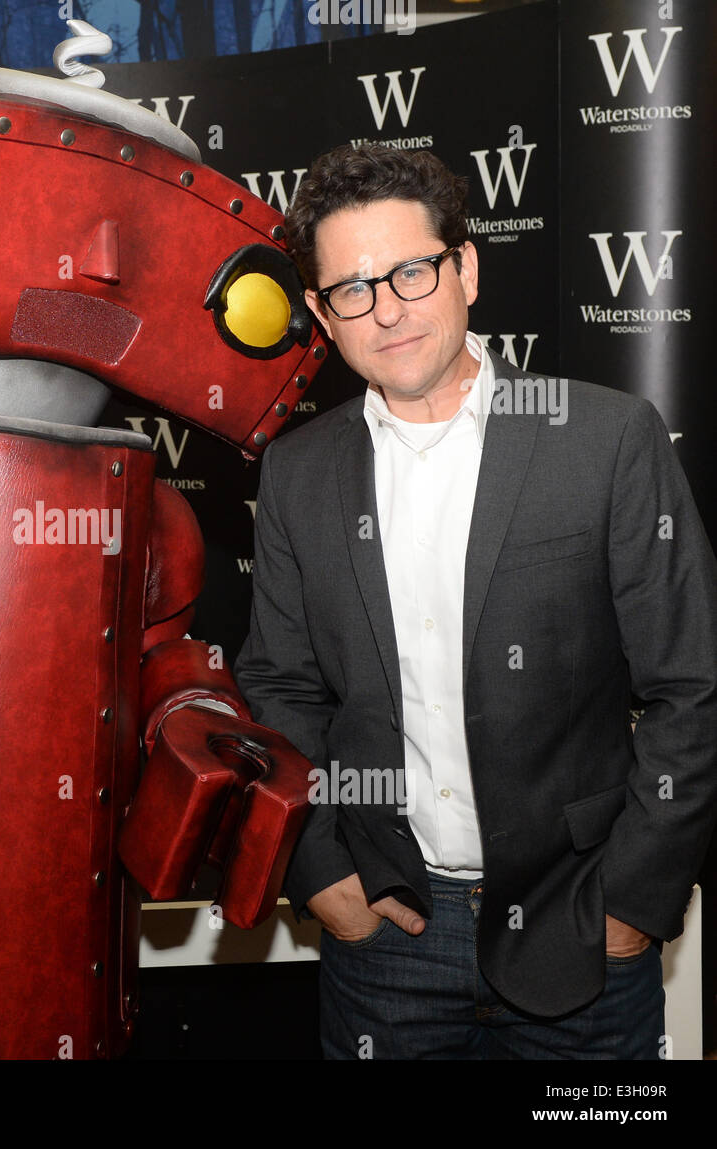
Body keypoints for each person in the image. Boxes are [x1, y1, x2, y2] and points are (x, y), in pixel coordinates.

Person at [234, 143, 717, 1059]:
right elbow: (280, 687)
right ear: (321, 316)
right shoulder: (298, 474)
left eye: (412, 271)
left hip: (582, 930)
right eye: (353, 288)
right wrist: (322, 871)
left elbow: (693, 685)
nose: (388, 309)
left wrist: (632, 900)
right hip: (386, 941)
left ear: (465, 269)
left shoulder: (604, 440)